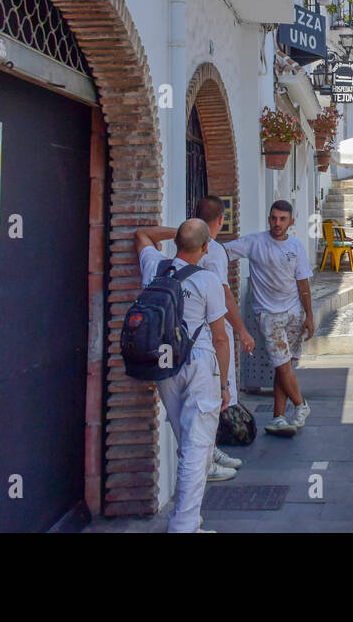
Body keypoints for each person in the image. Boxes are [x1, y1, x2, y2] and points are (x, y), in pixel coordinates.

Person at [141, 198, 257, 477]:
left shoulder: (154, 264)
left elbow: (142, 235)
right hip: (196, 355)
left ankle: (205, 459)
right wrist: (240, 332)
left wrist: (183, 233)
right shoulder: (209, 264)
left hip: (159, 358)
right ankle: (204, 467)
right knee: (200, 421)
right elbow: (220, 330)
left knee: (184, 427)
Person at [134, 219, 231, 532]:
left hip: (163, 364)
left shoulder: (155, 268)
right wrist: (225, 383)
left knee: (188, 441)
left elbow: (142, 235)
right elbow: (219, 337)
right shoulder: (208, 280)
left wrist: (176, 232)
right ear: (205, 248)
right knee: (197, 445)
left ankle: (188, 518)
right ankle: (184, 526)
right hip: (199, 363)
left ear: (176, 243)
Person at [221, 201, 315, 436]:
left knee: (283, 366)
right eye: (273, 218)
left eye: (283, 219)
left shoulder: (296, 246)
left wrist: (309, 315)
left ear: (291, 222)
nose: (277, 223)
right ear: (269, 218)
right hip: (268, 315)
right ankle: (301, 405)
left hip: (294, 312)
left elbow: (303, 283)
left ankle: (278, 417)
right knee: (282, 365)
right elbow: (222, 252)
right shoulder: (254, 242)